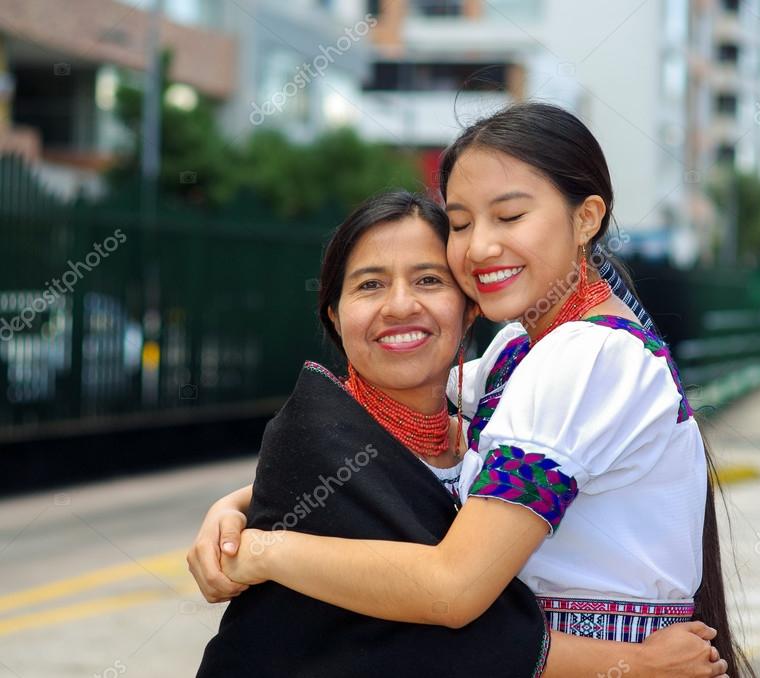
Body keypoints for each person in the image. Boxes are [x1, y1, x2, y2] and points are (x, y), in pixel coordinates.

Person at [189, 190, 729, 678]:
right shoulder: (314, 436)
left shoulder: (499, 404)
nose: (401, 305)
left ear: (469, 310)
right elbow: (439, 638)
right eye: (370, 285)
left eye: (428, 281)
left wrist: (238, 504)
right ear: (334, 315)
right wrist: (632, 663)